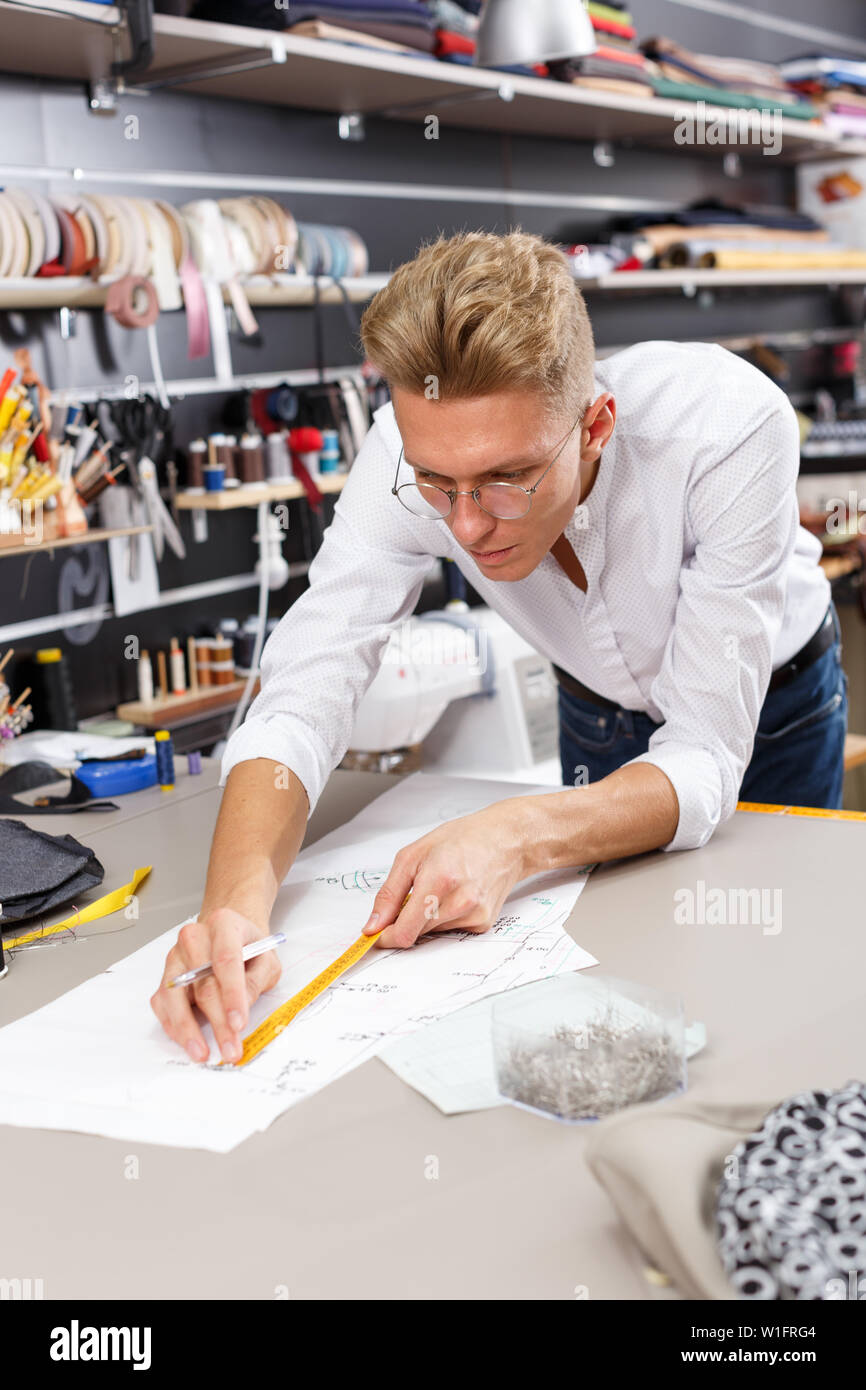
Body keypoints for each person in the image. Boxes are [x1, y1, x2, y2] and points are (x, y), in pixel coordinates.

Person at [151, 230, 843, 1063]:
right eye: (438, 486)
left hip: (770, 710)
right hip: (599, 710)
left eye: (508, 479)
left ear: (595, 426)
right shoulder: (405, 455)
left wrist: (515, 835)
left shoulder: (730, 429)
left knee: (774, 992)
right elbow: (305, 687)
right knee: (620, 989)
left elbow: (703, 757)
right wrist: (234, 907)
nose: (469, 526)